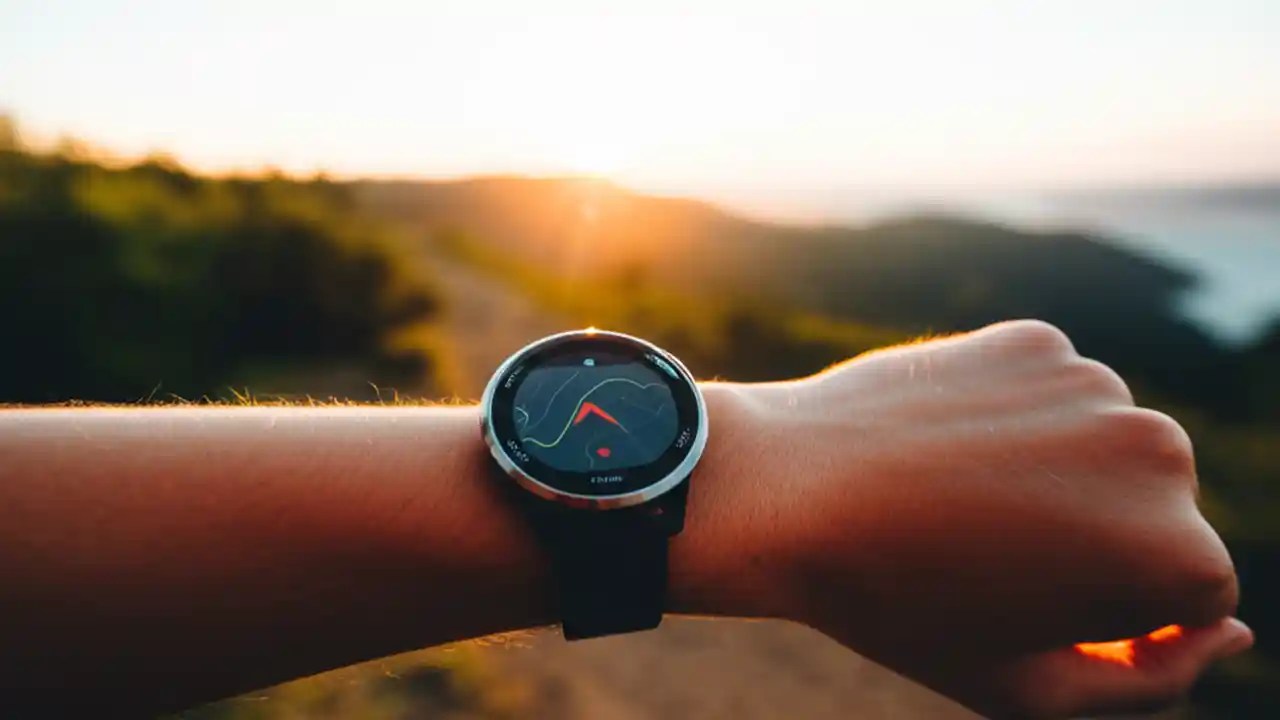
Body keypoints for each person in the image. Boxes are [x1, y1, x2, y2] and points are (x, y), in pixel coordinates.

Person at [0, 320, 1248, 719]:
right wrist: (777, 476)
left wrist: (767, 472)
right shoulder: (549, 439)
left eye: (614, 409)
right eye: (578, 415)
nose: (595, 418)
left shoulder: (624, 421)